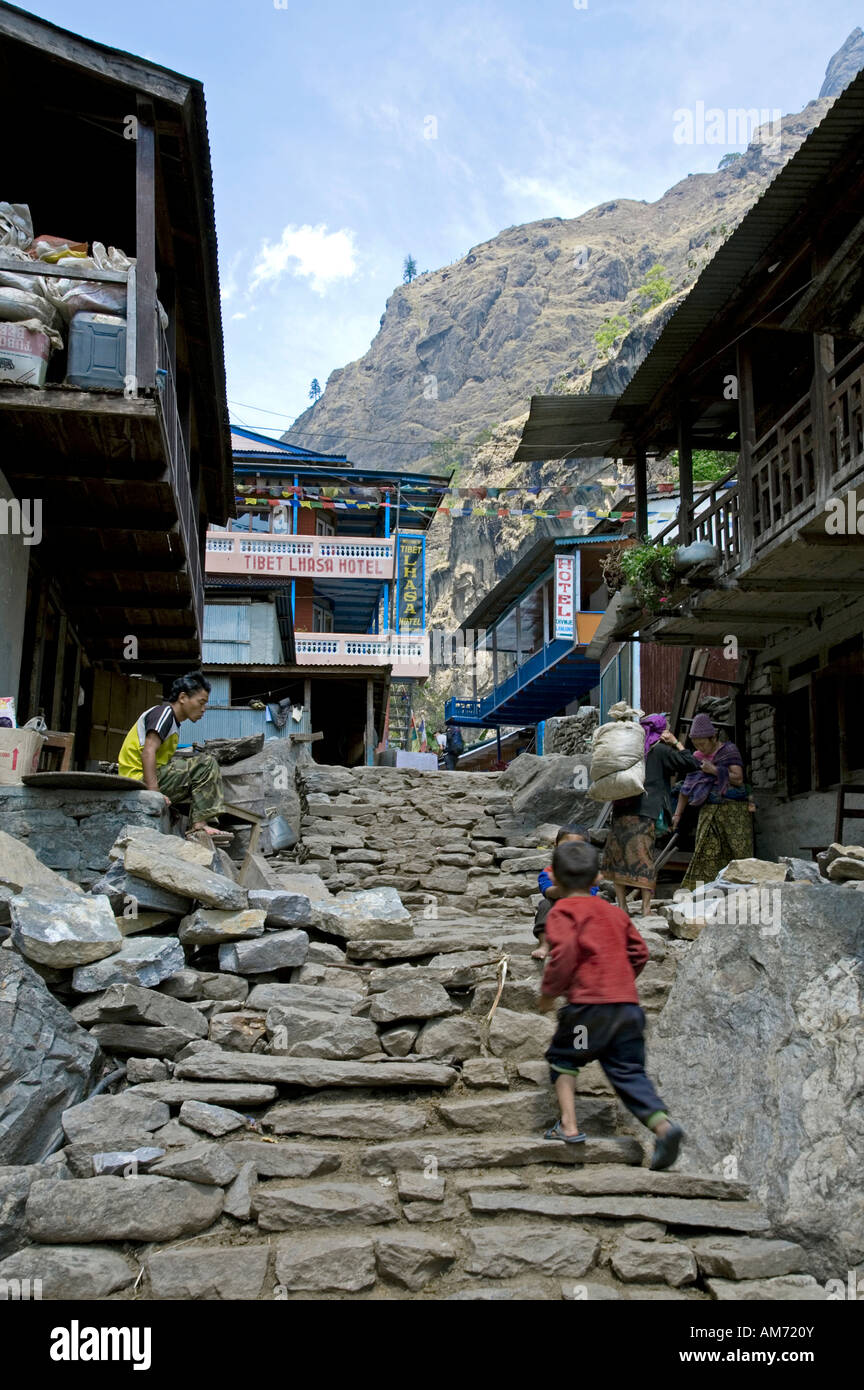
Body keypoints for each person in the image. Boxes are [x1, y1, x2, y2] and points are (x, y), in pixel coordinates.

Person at [538, 839, 685, 1170]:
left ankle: (569, 1125)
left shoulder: (561, 912)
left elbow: (564, 957)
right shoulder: (614, 912)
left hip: (587, 1012)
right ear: (597, 879)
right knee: (629, 1071)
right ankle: (663, 1127)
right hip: (627, 1010)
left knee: (564, 1057)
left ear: (556, 882)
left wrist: (549, 993)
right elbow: (640, 952)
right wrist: (622, 979)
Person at [602, 714, 699, 917]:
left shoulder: (629, 750)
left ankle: (622, 905)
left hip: (620, 810)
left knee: (618, 858)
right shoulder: (660, 750)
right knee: (644, 858)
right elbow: (691, 763)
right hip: (645, 813)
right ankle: (646, 909)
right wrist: (676, 742)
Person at [118, 672, 231, 844]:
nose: (203, 709)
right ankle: (199, 824)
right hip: (136, 778)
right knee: (206, 763)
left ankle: (197, 823)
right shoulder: (164, 714)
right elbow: (148, 752)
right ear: (183, 697)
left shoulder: (174, 725)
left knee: (197, 773)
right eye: (201, 702)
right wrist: (154, 794)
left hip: (147, 777)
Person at [674, 713, 752, 890]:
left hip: (733, 813)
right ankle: (705, 892)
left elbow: (738, 778)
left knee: (738, 852)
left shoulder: (729, 751)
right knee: (706, 853)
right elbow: (687, 788)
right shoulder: (697, 757)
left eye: (703, 743)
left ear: (713, 737)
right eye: (696, 744)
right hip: (709, 812)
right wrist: (677, 814)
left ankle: (743, 892)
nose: (700, 747)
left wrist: (714, 770)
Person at [531, 824, 598, 961]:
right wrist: (564, 887)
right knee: (545, 905)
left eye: (577, 847)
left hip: (581, 906)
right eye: (565, 846)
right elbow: (548, 891)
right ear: (556, 845)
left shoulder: (589, 872)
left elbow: (591, 893)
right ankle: (544, 944)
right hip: (557, 904)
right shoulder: (549, 872)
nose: (571, 851)